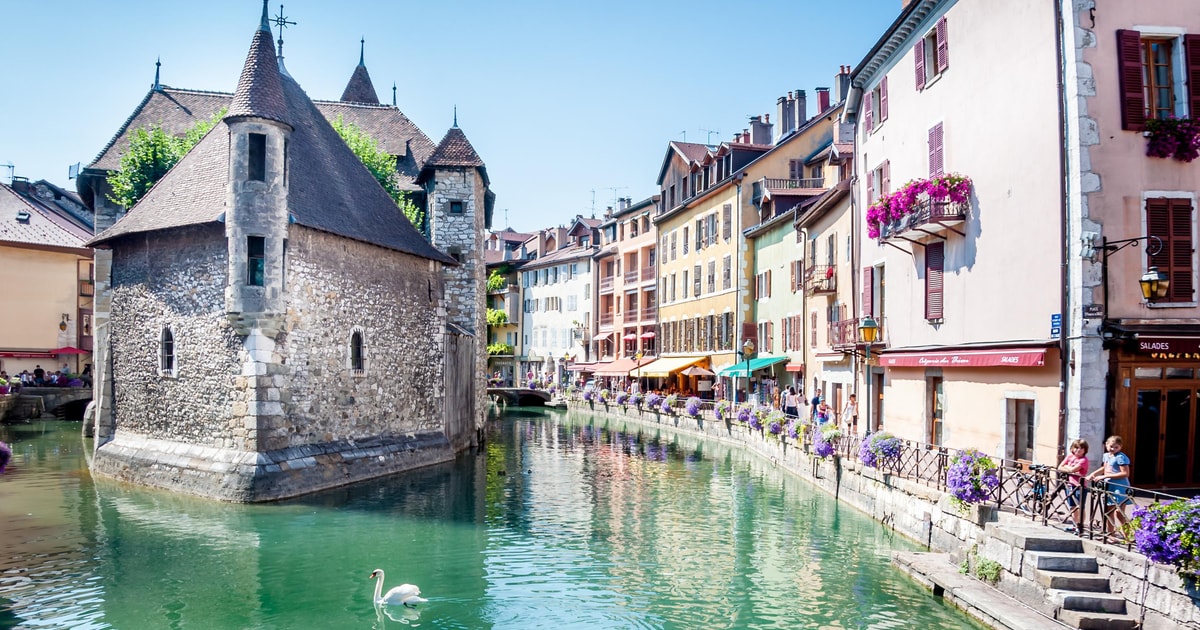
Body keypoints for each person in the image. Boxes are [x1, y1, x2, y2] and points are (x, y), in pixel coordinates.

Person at [1087, 435, 1131, 539]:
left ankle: (1128, 536)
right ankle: (1110, 535)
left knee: (1119, 513)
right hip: (1109, 486)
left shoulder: (1120, 457)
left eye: (1116, 447)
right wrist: (1093, 474)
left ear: (1120, 447)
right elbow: (1105, 467)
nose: (1113, 449)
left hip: (1119, 487)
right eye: (1111, 446)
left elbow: (1125, 473)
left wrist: (1106, 476)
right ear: (1106, 445)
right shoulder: (1106, 456)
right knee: (1108, 511)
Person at [1057, 439, 1089, 534]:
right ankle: (1075, 525)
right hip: (1070, 484)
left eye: (1081, 448)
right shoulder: (1070, 456)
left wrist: (1067, 468)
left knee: (1080, 507)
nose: (1078, 450)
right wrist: (1069, 469)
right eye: (1076, 448)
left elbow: (1073, 470)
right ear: (1072, 448)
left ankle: (1081, 526)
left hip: (1080, 485)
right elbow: (1059, 467)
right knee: (1072, 506)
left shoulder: (1084, 460)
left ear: (1085, 450)